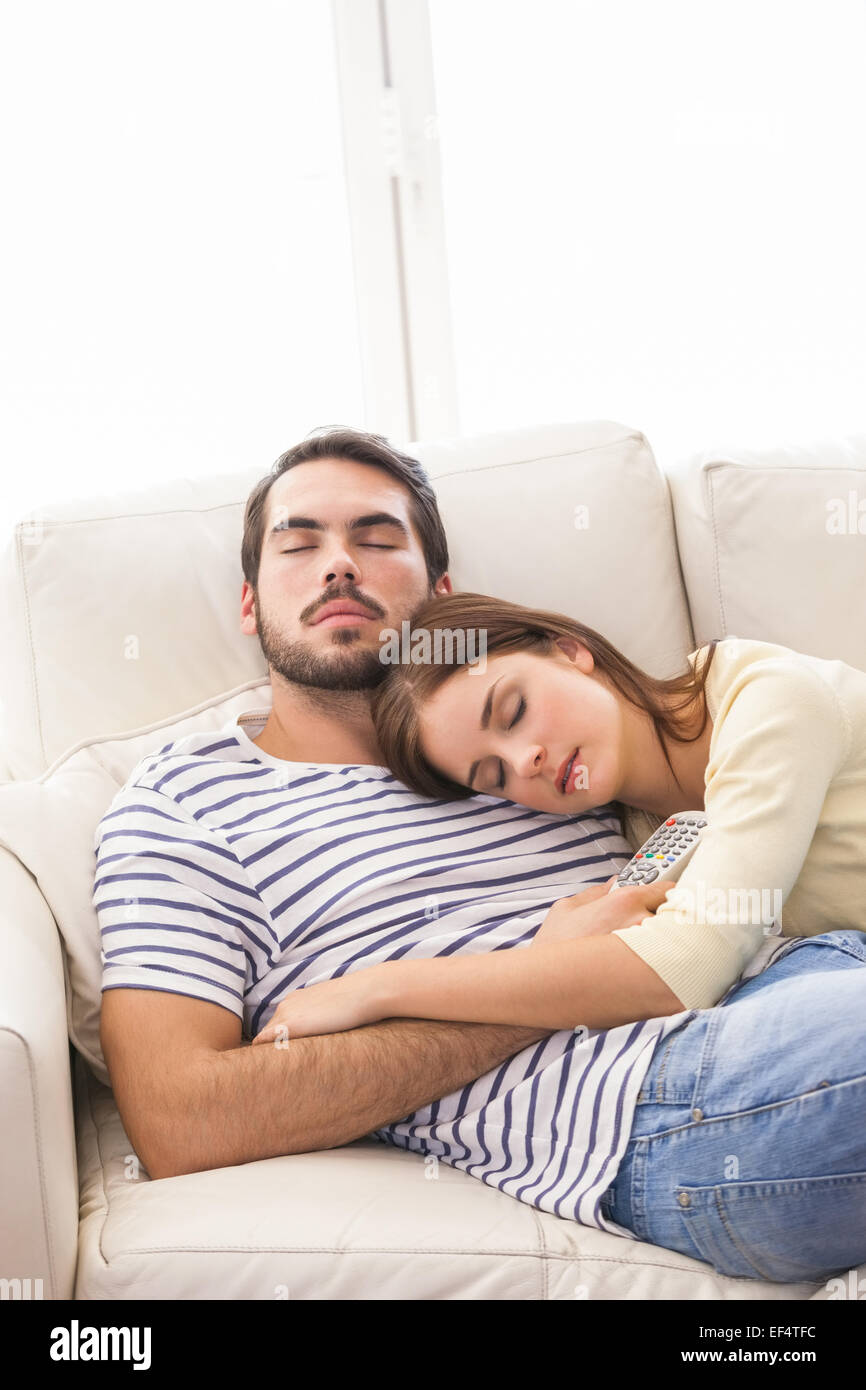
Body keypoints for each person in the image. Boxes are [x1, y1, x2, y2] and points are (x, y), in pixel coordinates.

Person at [96, 431, 864, 1284]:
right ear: (249, 603)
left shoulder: (552, 741)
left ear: (442, 595)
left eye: (379, 539)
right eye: (300, 541)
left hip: (800, 972)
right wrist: (538, 981)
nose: (340, 565)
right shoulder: (185, 807)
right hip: (657, 1098)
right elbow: (178, 1122)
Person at [252, 589, 866, 1282]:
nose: (527, 761)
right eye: (494, 775)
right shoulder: (640, 832)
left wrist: (379, 989)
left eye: (512, 711)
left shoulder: (769, 701)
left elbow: (680, 969)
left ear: (572, 652)